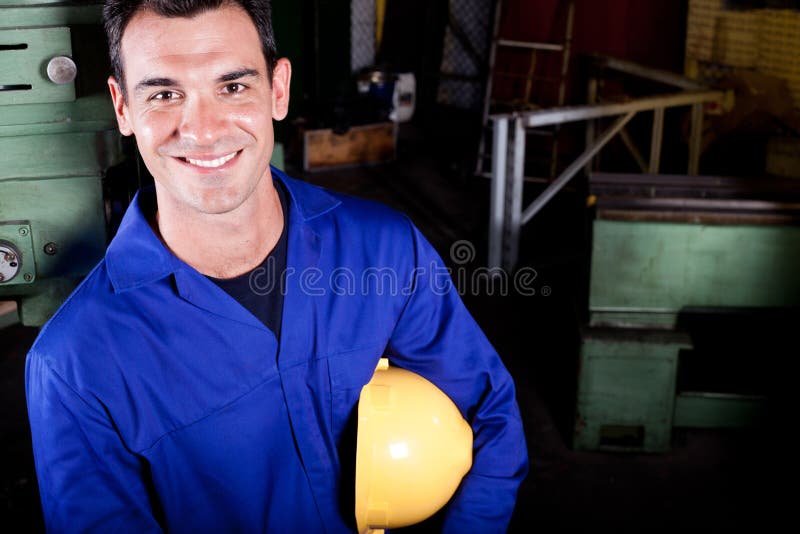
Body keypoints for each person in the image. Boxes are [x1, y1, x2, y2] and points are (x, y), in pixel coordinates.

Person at [25, 1, 528, 532]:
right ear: (123, 108)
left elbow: (489, 414)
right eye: (165, 94)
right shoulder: (74, 364)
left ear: (278, 89)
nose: (203, 130)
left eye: (233, 87)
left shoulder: (383, 251)